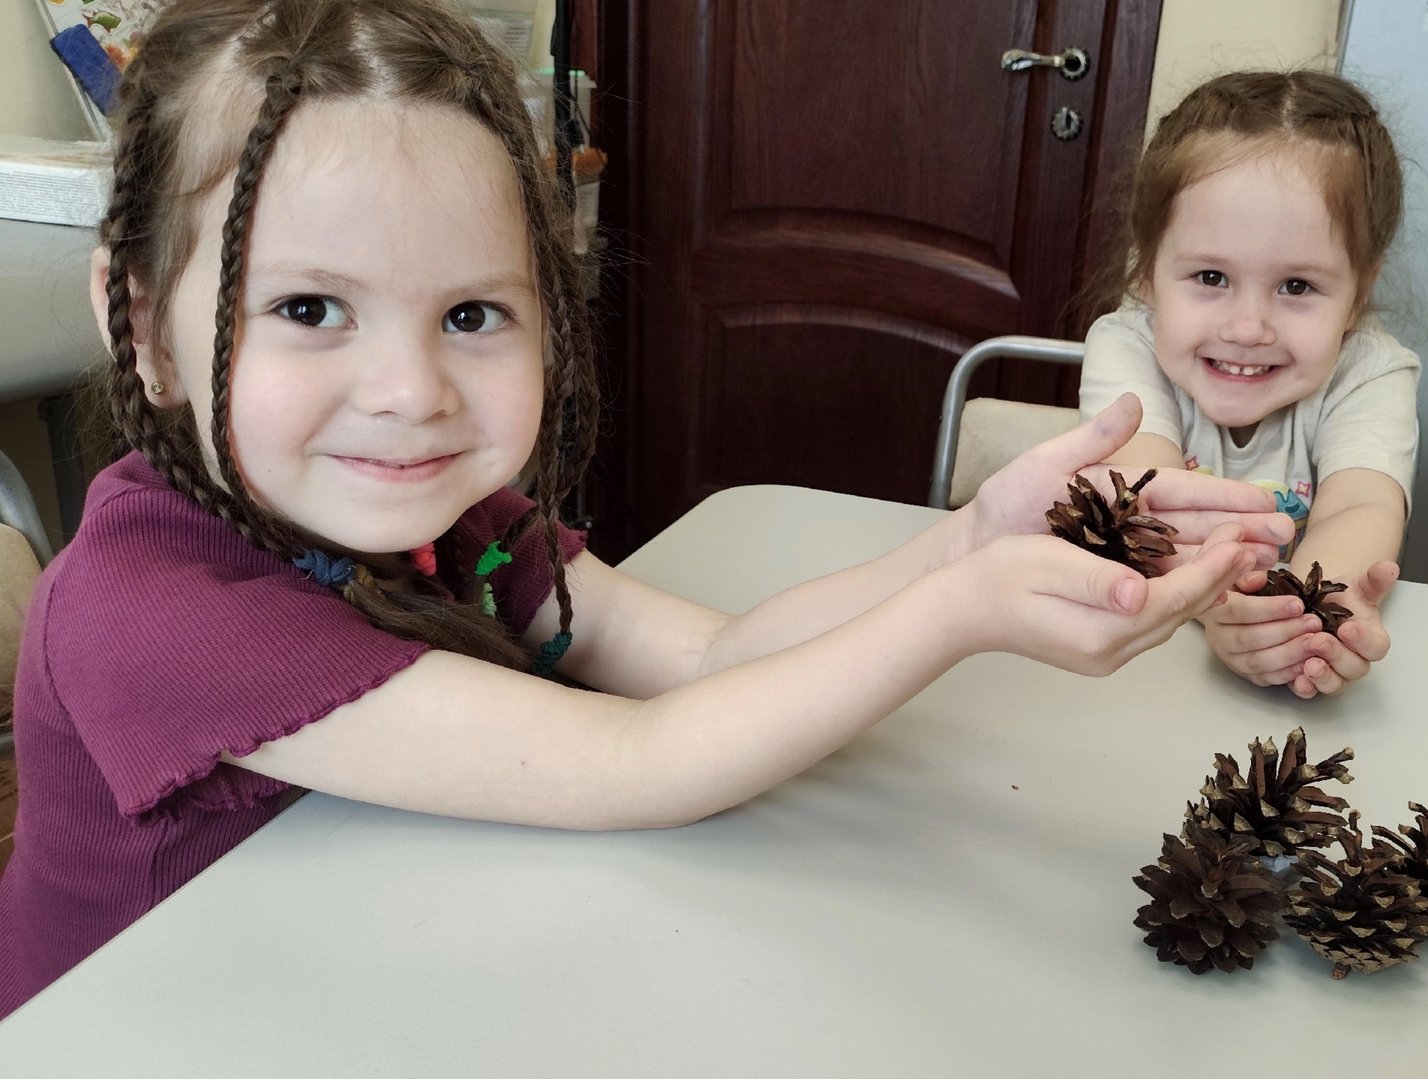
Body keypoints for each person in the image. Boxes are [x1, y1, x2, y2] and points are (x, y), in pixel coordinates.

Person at [0, 0, 1297, 1018]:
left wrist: (973, 536)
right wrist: (963, 610)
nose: (410, 391)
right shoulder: (153, 611)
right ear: (142, 326)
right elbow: (639, 761)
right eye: (306, 307)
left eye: (471, 314)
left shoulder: (453, 528)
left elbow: (715, 657)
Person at [1077, 70, 1419, 699]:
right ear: (1148, 273)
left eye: (1297, 286)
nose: (1247, 326)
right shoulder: (1127, 345)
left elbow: (1360, 507)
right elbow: (1150, 503)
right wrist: (1218, 606)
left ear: (1357, 296)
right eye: (1210, 276)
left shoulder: (1371, 369)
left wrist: (1307, 622)